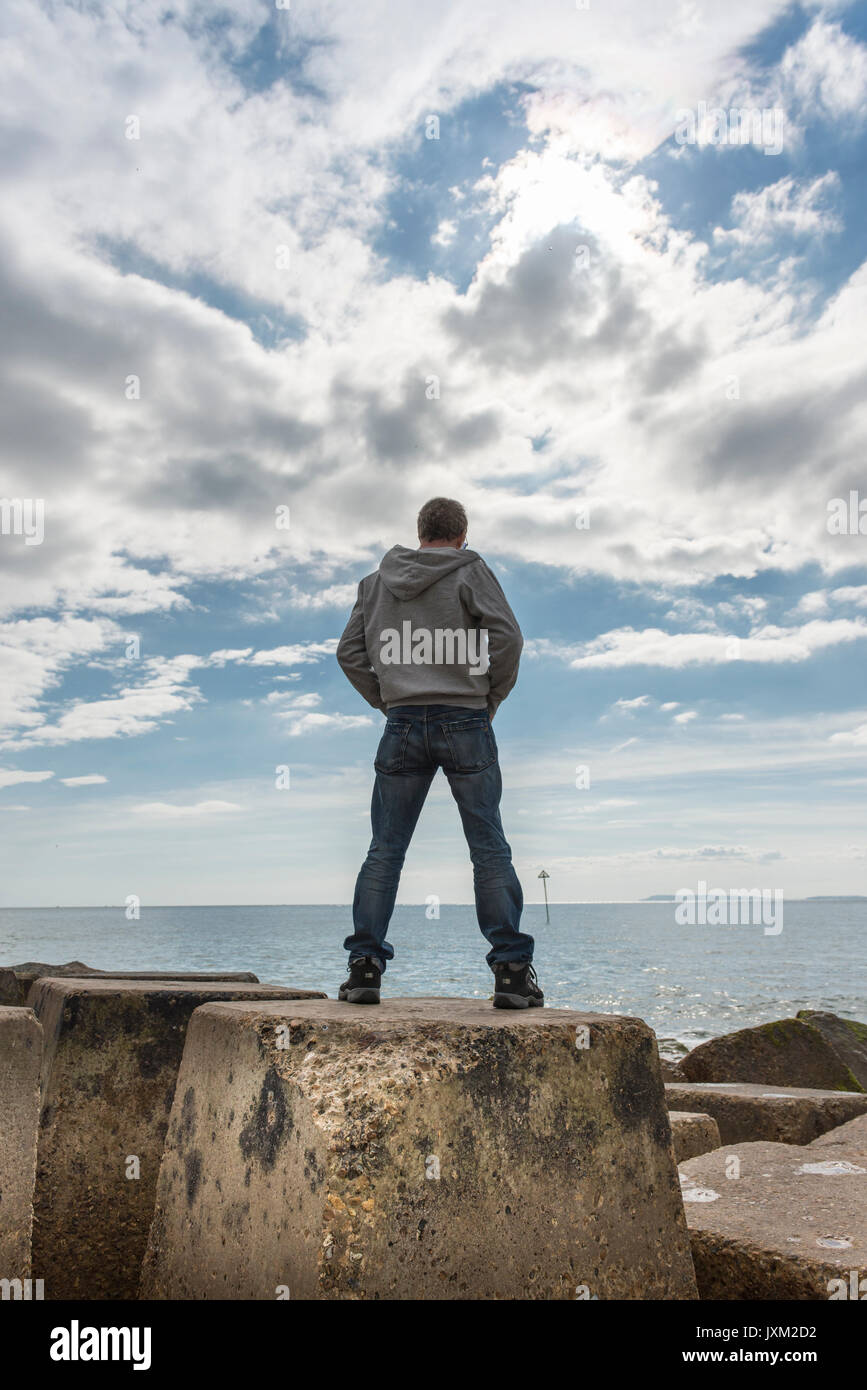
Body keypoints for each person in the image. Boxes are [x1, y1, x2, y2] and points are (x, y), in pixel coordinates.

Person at [335, 496, 542, 1008]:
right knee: (488, 847)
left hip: (403, 721)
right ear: (461, 534)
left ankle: (364, 971)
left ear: (421, 530)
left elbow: (350, 652)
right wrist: (489, 697)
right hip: (466, 718)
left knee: (385, 849)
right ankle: (512, 974)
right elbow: (509, 638)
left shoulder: (376, 582)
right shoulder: (471, 570)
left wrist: (389, 699)